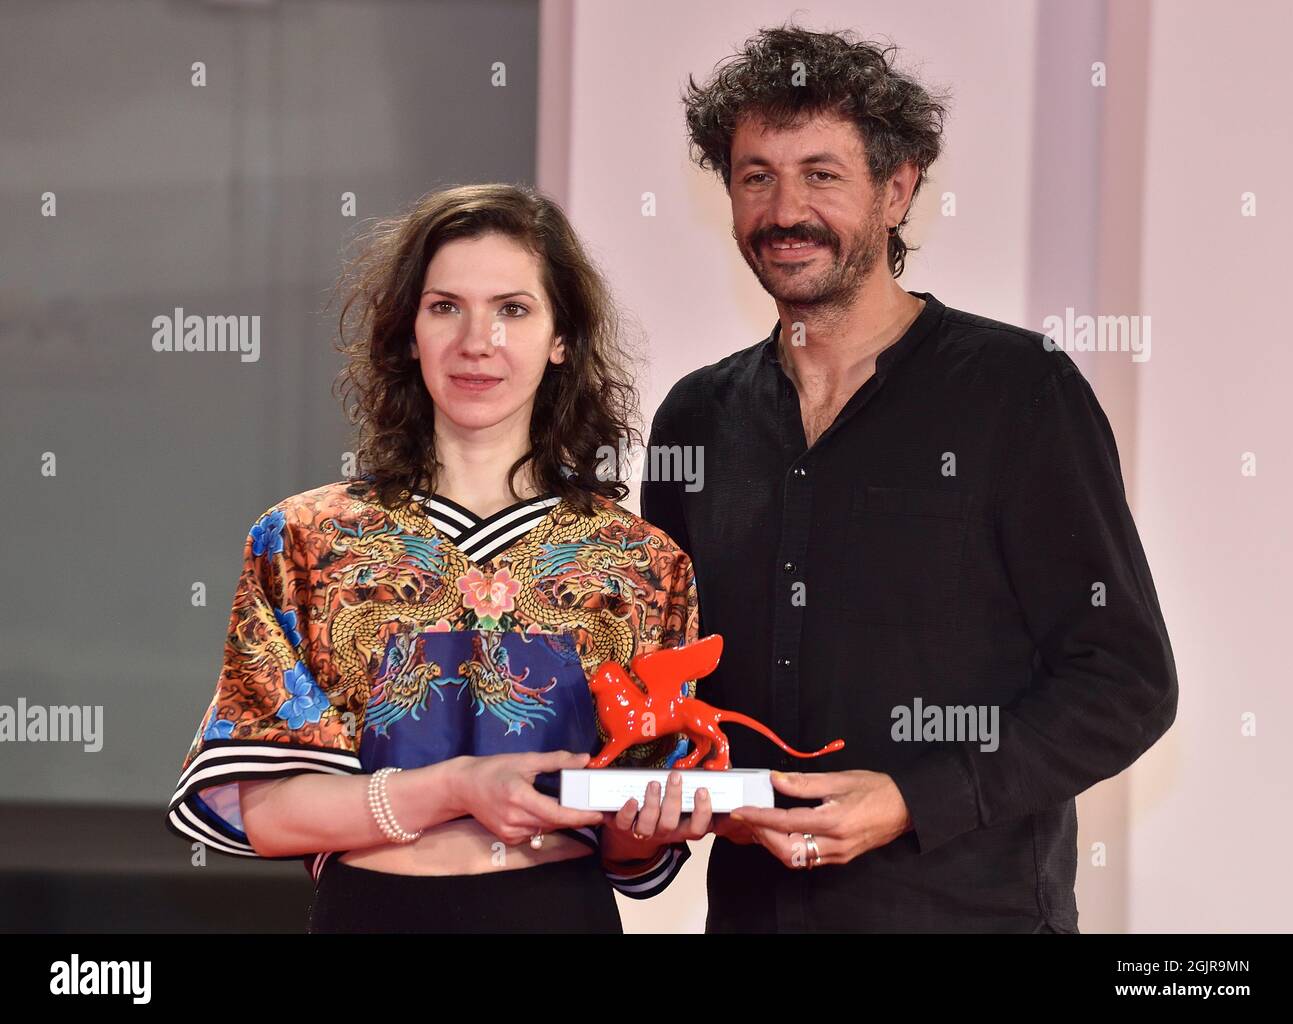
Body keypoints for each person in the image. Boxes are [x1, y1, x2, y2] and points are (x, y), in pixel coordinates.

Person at [640, 24, 1178, 932]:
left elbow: (1123, 680)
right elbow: (671, 684)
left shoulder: (1019, 391)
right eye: (755, 176)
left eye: (822, 174)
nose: (783, 210)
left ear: (897, 190)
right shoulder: (694, 419)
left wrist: (914, 797)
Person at [165, 183, 713, 933]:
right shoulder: (305, 538)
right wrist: (457, 787)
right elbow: (265, 813)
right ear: (408, 333)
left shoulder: (641, 564)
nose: (477, 341)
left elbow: (632, 850)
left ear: (562, 339)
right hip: (374, 913)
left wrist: (643, 823)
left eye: (513, 309)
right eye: (445, 306)